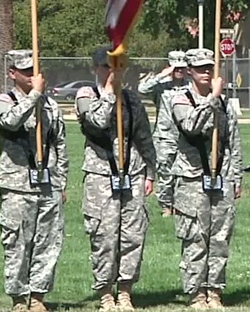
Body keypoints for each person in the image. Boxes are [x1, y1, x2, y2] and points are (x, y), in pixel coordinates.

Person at [75, 47, 158, 310]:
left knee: (133, 236)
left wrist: (151, 173)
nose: (112, 72)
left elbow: (144, 138)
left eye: (117, 67)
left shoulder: (132, 101)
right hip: (101, 175)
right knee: (104, 236)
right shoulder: (87, 95)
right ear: (95, 69)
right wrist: (111, 90)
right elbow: (97, 122)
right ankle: (105, 293)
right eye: (106, 67)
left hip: (132, 174)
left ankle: (125, 290)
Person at [158, 48, 242, 309]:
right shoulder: (179, 99)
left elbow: (233, 141)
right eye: (201, 68)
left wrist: (235, 175)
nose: (206, 72)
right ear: (190, 71)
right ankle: (196, 292)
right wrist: (213, 98)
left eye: (210, 67)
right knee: (195, 237)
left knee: (219, 238)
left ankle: (214, 289)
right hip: (192, 178)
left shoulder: (226, 103)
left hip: (221, 177)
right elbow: (191, 126)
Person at [0, 50, 69, 312]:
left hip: (48, 184)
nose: (33, 76)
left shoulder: (50, 105)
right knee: (17, 243)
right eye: (26, 71)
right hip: (17, 185)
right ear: (12, 73)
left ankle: (38, 297)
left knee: (48, 243)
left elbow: (60, 144)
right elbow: (11, 122)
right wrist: (34, 95)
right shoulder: (3, 101)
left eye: (35, 70)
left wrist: (62, 181)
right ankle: (19, 298)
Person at [137, 50, 189, 217]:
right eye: (176, 68)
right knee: (165, 171)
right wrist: (162, 75)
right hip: (165, 137)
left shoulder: (190, 87)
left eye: (182, 68)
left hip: (185, 136)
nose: (179, 71)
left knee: (184, 172)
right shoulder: (161, 88)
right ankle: (166, 206)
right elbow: (142, 89)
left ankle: (181, 204)